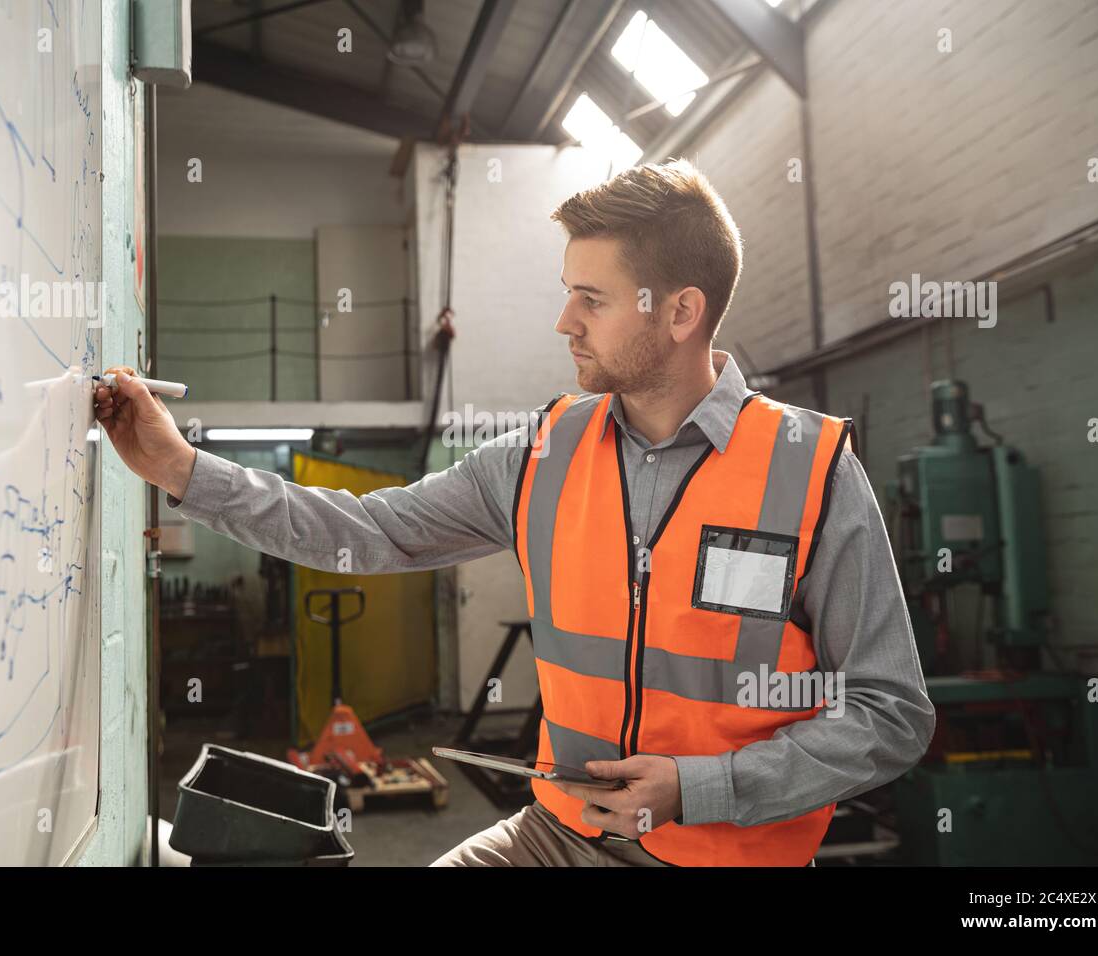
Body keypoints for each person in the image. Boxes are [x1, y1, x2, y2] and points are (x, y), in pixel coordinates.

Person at [95, 159, 935, 867]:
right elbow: (370, 530)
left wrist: (697, 788)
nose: (563, 321)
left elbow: (891, 714)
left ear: (680, 312)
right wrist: (180, 469)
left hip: (719, 853)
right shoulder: (544, 453)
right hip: (554, 837)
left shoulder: (811, 471)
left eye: (592, 300)